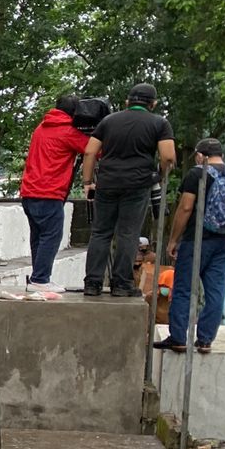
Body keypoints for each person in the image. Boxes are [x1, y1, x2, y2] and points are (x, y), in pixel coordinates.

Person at [79, 83, 176, 297]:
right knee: (128, 234)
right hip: (137, 185)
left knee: (100, 232)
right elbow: (168, 157)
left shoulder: (108, 121)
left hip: (107, 183)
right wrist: (158, 175)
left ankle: (92, 283)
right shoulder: (159, 123)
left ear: (127, 102)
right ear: (153, 103)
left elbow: (89, 153)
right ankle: (121, 284)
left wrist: (87, 182)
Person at [154, 138, 225, 354]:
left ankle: (179, 338)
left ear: (200, 155)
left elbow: (185, 208)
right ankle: (205, 340)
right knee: (216, 291)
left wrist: (173, 239)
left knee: (183, 288)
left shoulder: (197, 173)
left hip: (196, 239)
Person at [19, 95, 92, 287]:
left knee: (38, 237)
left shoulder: (41, 128)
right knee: (51, 236)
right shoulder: (68, 132)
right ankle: (40, 279)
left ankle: (37, 278)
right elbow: (94, 150)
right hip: (49, 194)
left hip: (29, 192)